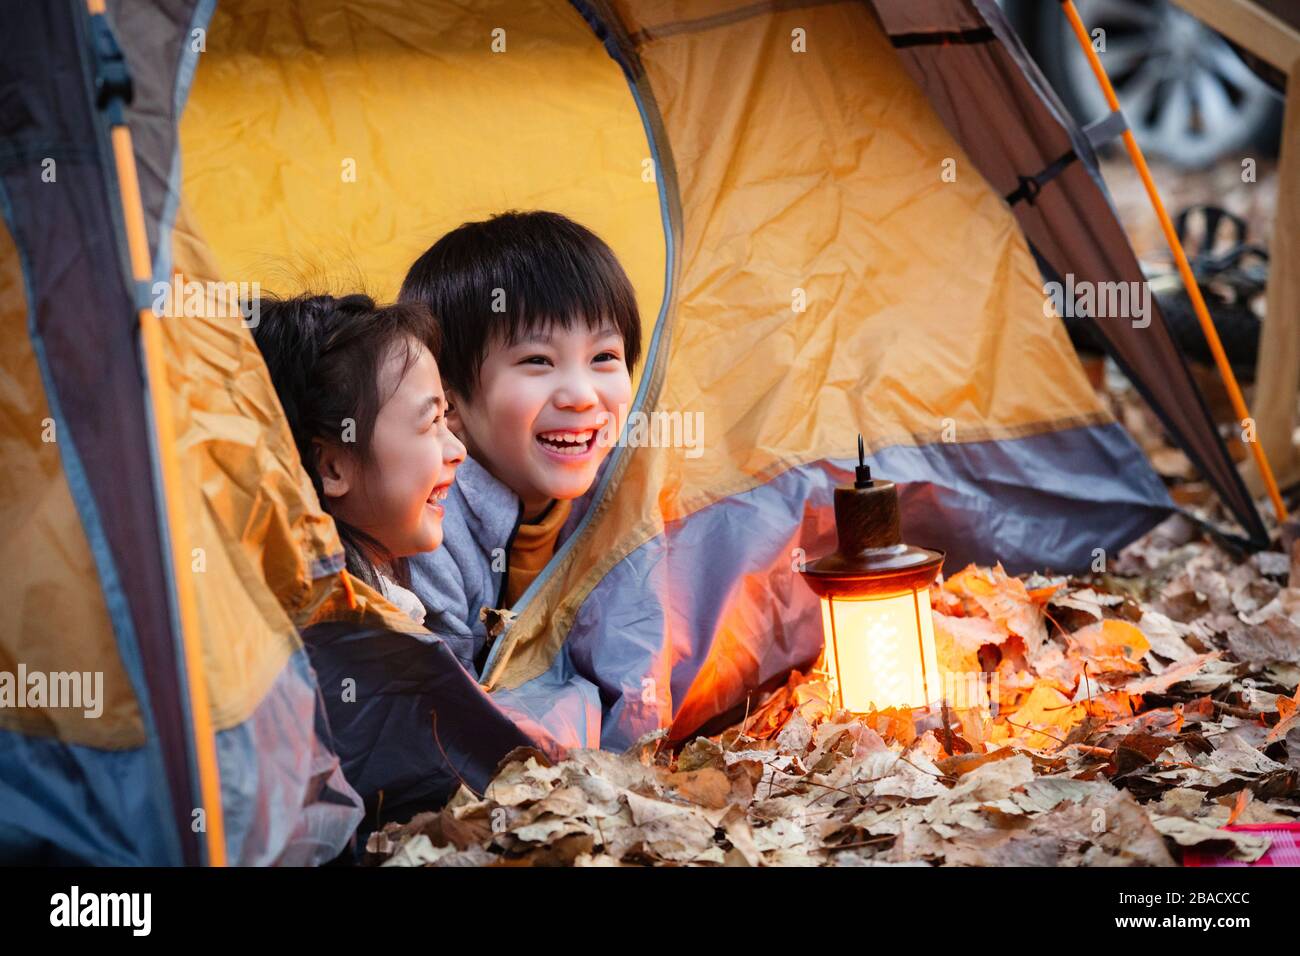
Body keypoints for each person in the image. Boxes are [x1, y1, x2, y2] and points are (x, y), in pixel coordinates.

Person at [399, 210, 640, 672]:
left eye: (604, 356)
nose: (581, 396)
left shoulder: (622, 493)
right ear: (448, 404)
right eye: (538, 360)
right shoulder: (426, 533)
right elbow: (449, 712)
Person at [252, 293, 465, 624]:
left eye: (446, 416)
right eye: (429, 422)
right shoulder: (340, 639)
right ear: (332, 468)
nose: (458, 451)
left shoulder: (379, 604)